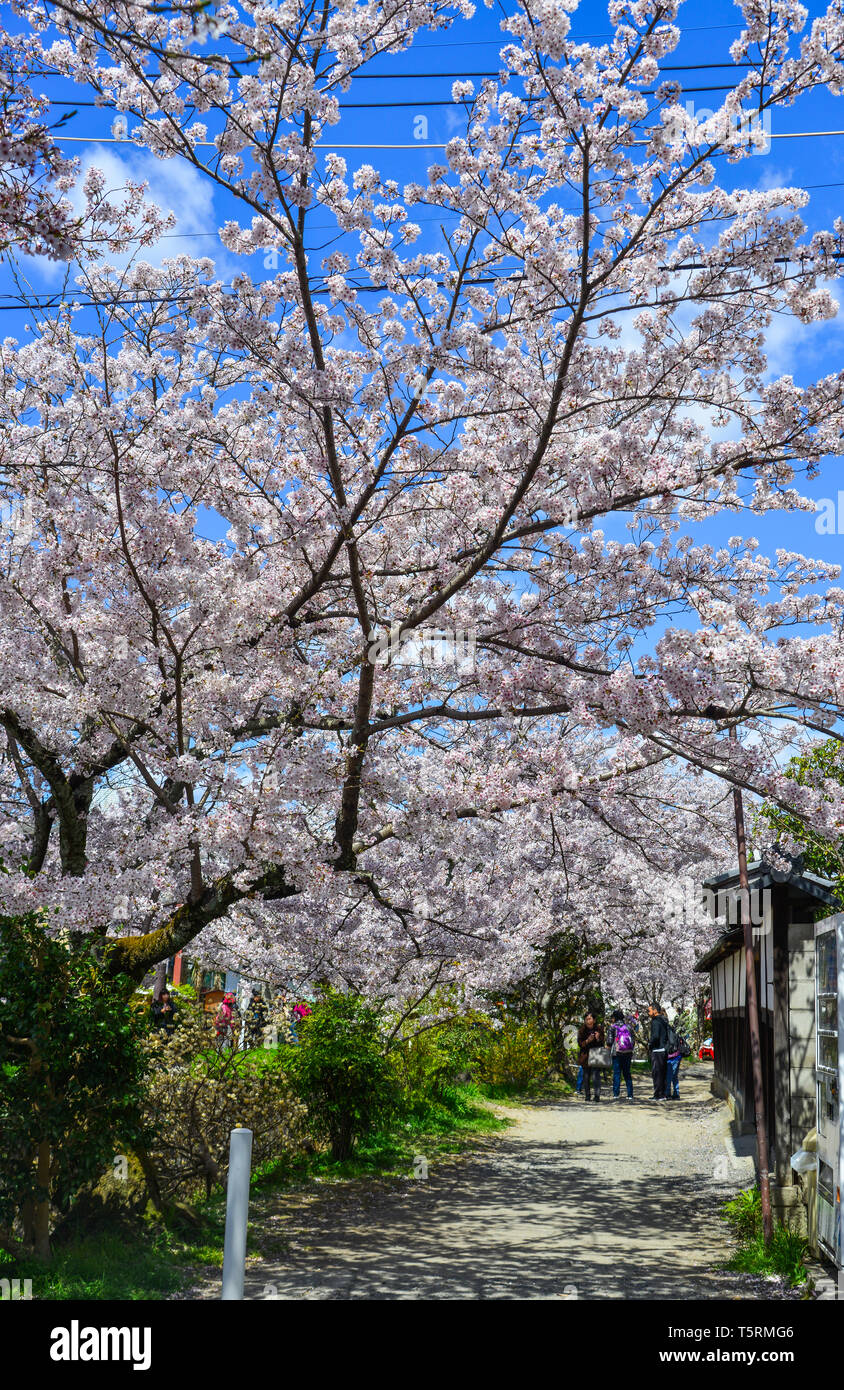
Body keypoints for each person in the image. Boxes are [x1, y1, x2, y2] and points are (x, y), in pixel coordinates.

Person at [577, 1012, 605, 1102]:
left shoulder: (599, 1029)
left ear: (594, 1020)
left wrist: (597, 1038)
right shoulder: (582, 1030)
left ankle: (597, 1096)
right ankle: (587, 1095)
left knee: (596, 1076)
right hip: (585, 1055)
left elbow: (602, 1042)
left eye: (590, 1019)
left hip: (596, 1054)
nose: (588, 1021)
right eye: (586, 1019)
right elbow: (580, 1044)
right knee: (586, 1076)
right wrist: (587, 1041)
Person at [608, 1008, 635, 1099]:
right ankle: (630, 1094)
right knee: (627, 1073)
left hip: (617, 1054)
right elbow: (633, 1041)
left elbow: (609, 1041)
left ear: (615, 1018)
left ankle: (616, 1094)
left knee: (617, 1073)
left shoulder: (612, 1027)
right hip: (627, 1053)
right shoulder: (629, 1027)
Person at [648, 1002, 670, 1100]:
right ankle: (663, 1094)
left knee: (657, 1073)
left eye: (649, 1010)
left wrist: (650, 1044)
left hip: (657, 1050)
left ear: (655, 1010)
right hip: (664, 1049)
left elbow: (655, 1036)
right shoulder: (664, 1020)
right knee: (662, 1073)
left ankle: (658, 1094)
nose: (648, 1013)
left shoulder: (655, 1021)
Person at [663, 1009, 682, 1099]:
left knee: (668, 1076)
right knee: (674, 1076)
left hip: (670, 1056)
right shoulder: (671, 1027)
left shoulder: (664, 1029)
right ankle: (676, 1093)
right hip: (677, 1054)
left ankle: (667, 1093)